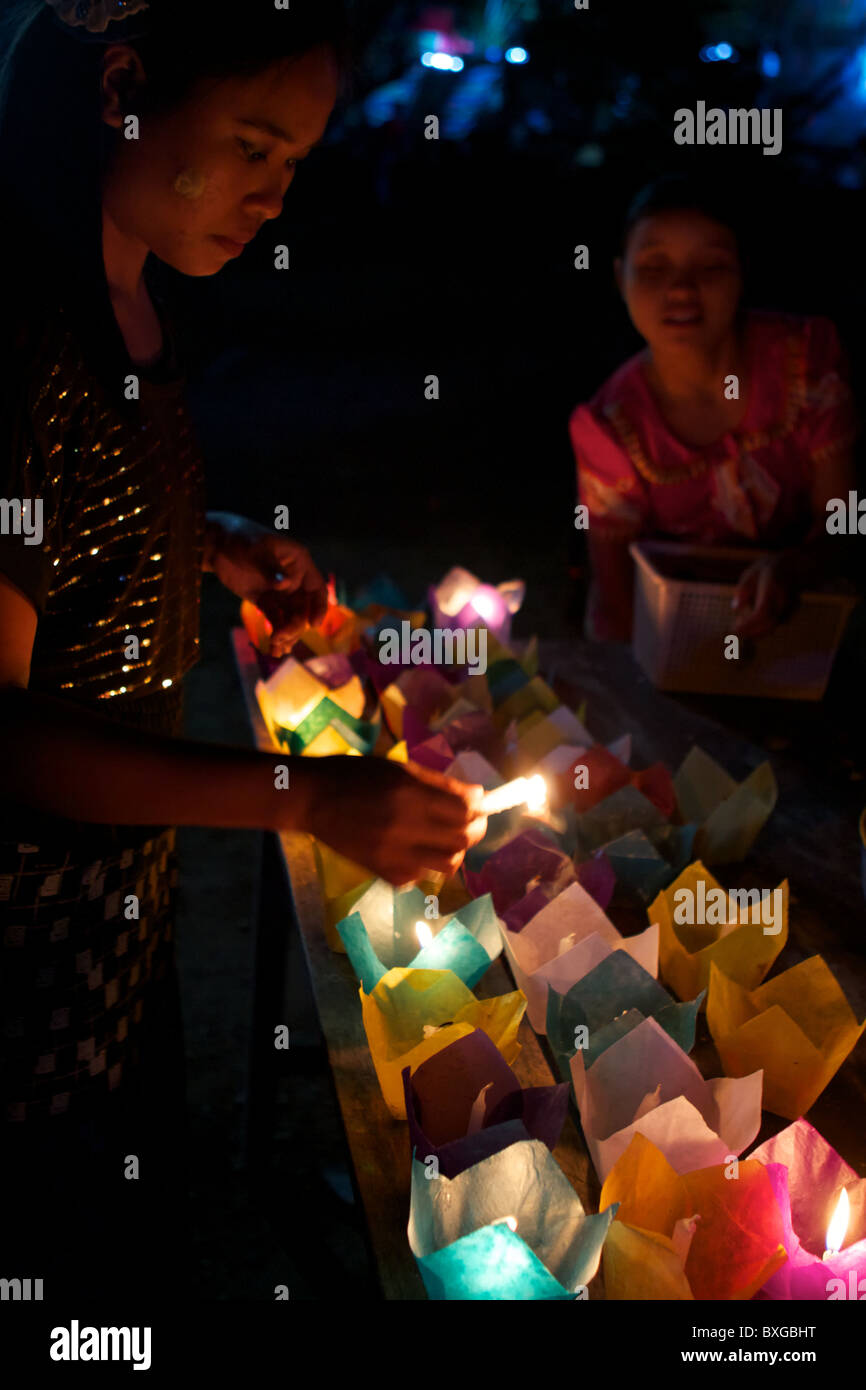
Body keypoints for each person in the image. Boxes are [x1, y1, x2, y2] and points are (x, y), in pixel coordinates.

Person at [0, 0, 486, 1301]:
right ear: (121, 89)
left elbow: (63, 533)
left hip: (115, 914)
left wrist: (197, 540)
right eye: (255, 146)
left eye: (296, 165)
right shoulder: (24, 342)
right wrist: (310, 794)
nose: (274, 199)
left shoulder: (127, 305)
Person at [569, 173, 859, 642]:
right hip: (679, 648)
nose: (682, 290)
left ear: (743, 272)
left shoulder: (806, 363)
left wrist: (800, 567)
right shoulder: (611, 428)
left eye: (710, 268)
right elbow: (616, 602)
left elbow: (847, 522)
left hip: (812, 636)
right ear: (620, 279)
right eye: (654, 268)